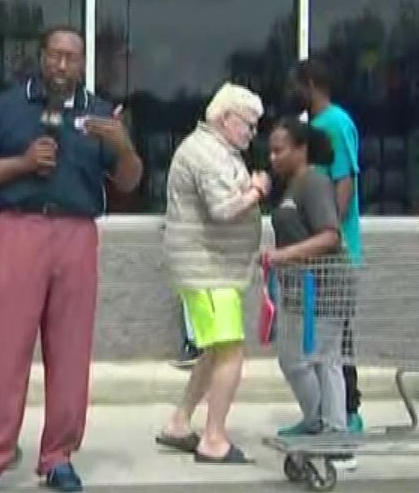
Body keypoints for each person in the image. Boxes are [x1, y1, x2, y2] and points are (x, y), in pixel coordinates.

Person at [0, 26, 144, 493]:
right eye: (54, 56)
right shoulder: (7, 108)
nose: (61, 66)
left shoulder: (100, 114)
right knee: (3, 348)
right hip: (21, 228)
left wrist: (123, 146)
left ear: (82, 64)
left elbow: (131, 181)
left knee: (71, 351)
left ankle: (59, 457)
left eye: (71, 58)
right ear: (41, 58)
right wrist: (20, 164)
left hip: (77, 234)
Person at [156, 84, 267, 464]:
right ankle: (214, 438)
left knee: (215, 351)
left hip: (213, 266)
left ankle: (180, 422)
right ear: (224, 118)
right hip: (208, 269)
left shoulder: (215, 150)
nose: (252, 133)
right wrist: (256, 190)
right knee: (231, 352)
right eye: (248, 125)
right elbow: (222, 209)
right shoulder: (207, 154)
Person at [262, 116, 348, 438]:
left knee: (324, 360)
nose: (273, 158)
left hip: (324, 287)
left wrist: (283, 255)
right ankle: (317, 420)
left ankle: (335, 431)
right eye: (270, 152)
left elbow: (330, 236)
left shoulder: (314, 182)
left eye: (279, 151)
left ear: (302, 149)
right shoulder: (290, 185)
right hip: (299, 288)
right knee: (293, 359)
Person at [293, 57, 365, 429]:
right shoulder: (315, 127)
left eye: (296, 85)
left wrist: (328, 232)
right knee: (319, 341)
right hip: (319, 254)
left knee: (336, 340)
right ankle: (322, 414)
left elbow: (345, 178)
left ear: (309, 85)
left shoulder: (334, 124)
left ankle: (347, 412)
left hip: (336, 252)